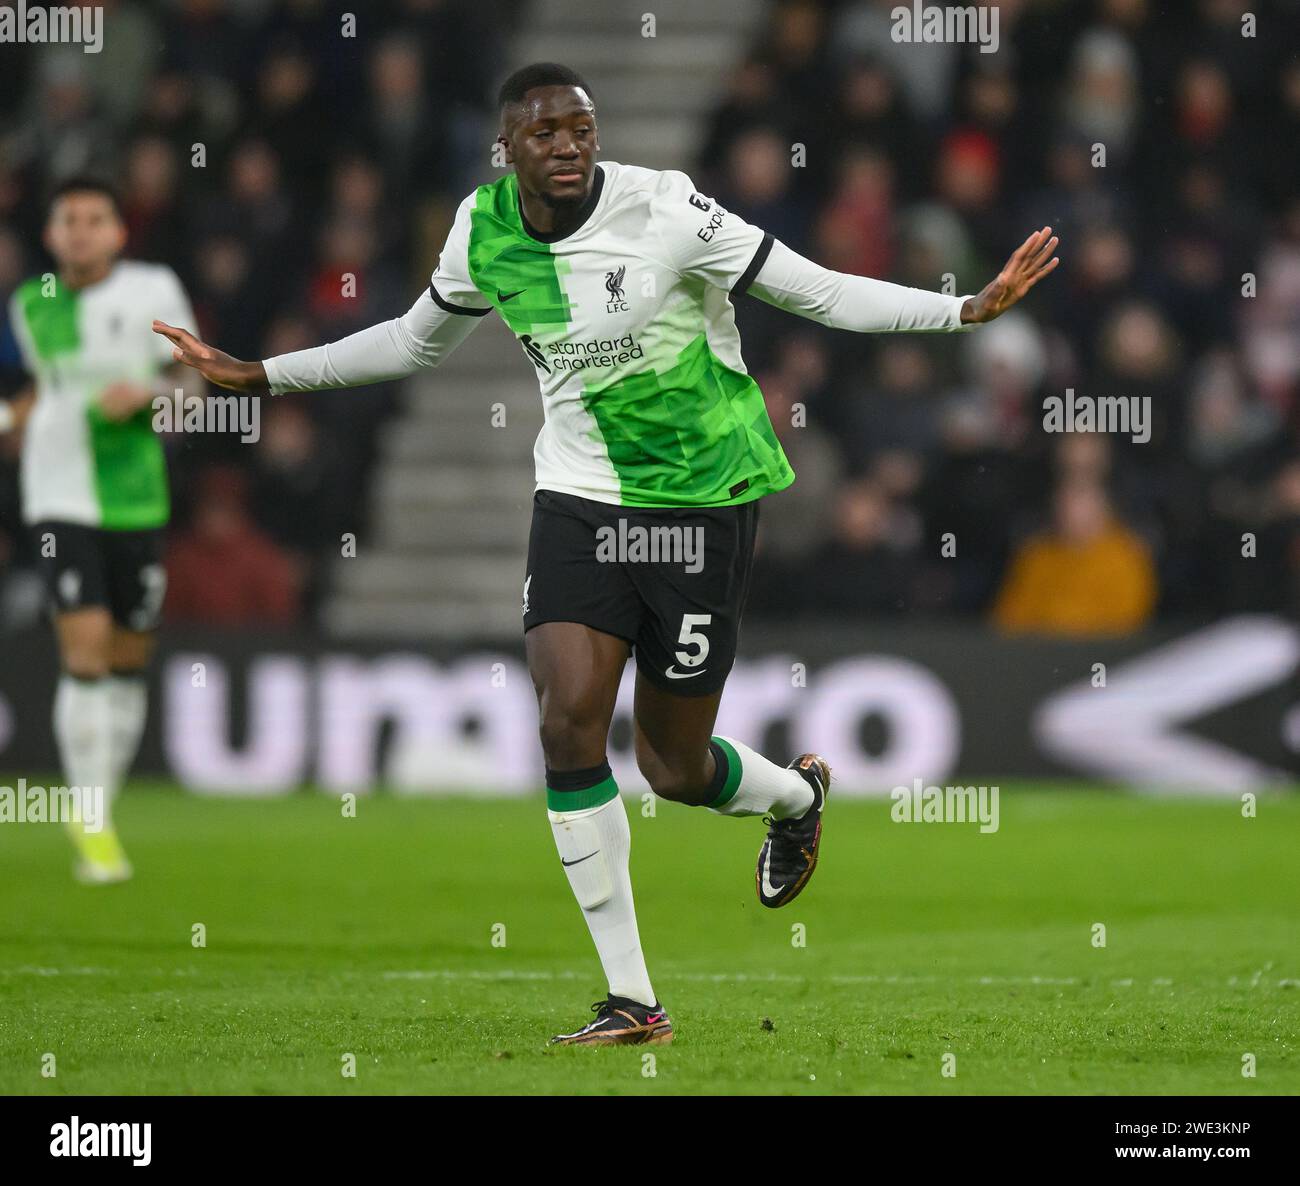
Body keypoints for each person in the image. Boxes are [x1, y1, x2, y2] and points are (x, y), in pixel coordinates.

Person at [152, 63, 1059, 1045]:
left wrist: (962, 309)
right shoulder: (480, 230)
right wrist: (259, 376)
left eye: (581, 128)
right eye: (546, 132)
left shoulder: (665, 209)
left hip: (702, 503)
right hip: (579, 497)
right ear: (507, 148)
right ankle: (635, 999)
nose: (570, 145)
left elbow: (821, 293)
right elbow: (414, 345)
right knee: (567, 724)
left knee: (672, 764)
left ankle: (794, 799)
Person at [1, 177, 197, 884]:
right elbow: (45, 393)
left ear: (118, 232)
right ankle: (91, 820)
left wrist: (148, 393)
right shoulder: (32, 304)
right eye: (68, 220)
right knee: (83, 654)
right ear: (51, 236)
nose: (81, 231)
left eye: (95, 219)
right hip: (59, 497)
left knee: (126, 660)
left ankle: (99, 807)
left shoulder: (155, 290)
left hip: (137, 498)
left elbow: (194, 389)